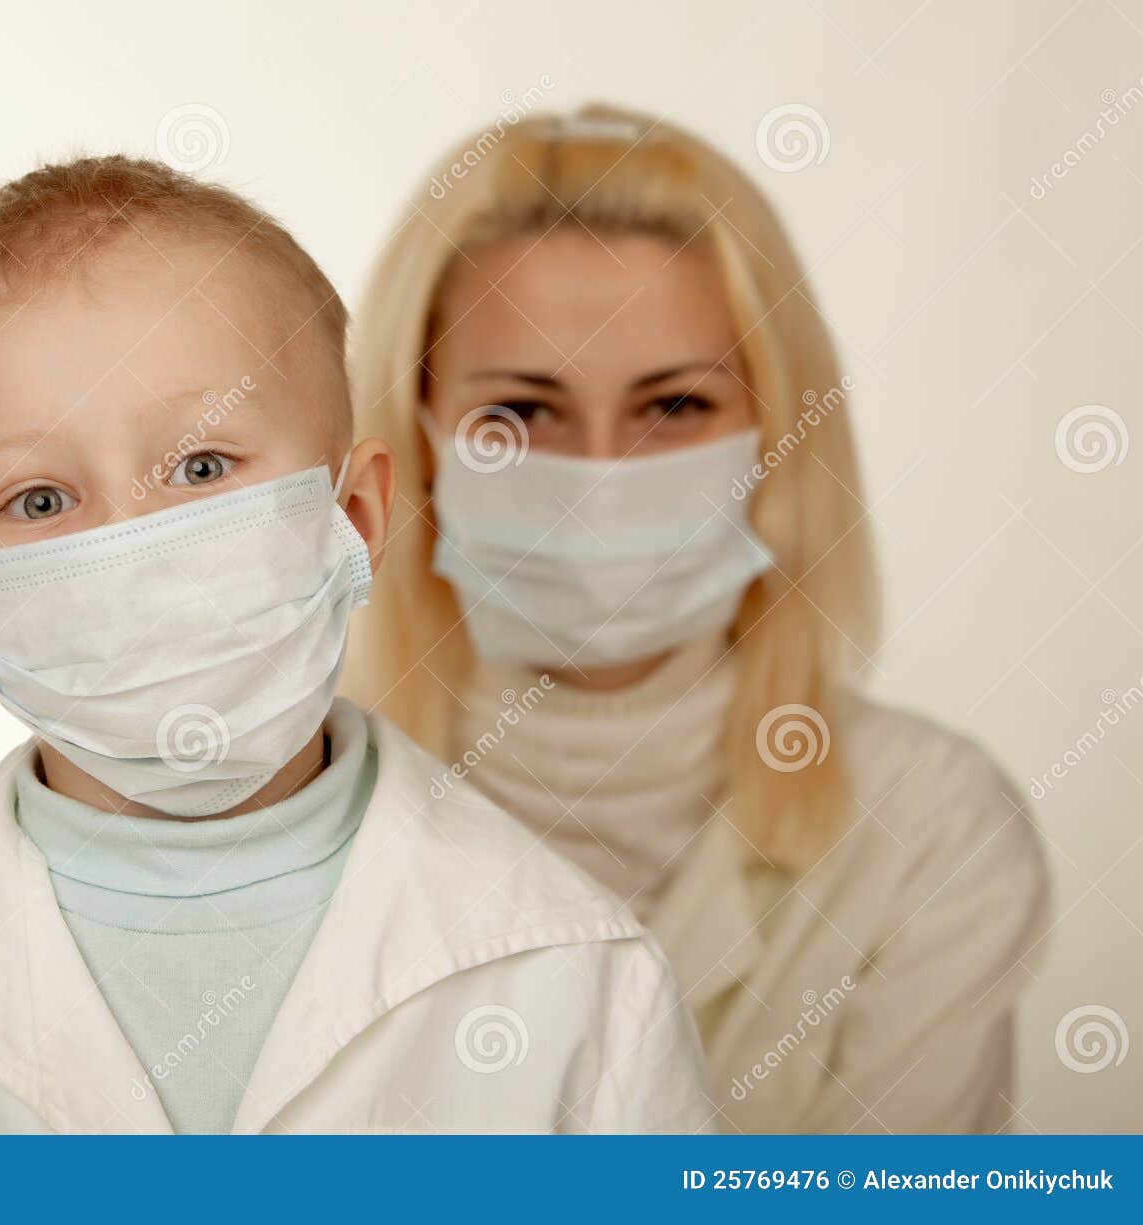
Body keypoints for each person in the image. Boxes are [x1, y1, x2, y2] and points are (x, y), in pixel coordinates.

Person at [0, 154, 711, 1134]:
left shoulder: (580, 969)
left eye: (201, 466)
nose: (136, 551)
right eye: (40, 500)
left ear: (354, 516)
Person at [343, 105, 1050, 1132]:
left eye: (674, 406)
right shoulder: (271, 809)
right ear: (413, 442)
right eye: (521, 413)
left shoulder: (928, 827)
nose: (599, 476)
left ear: (776, 433)